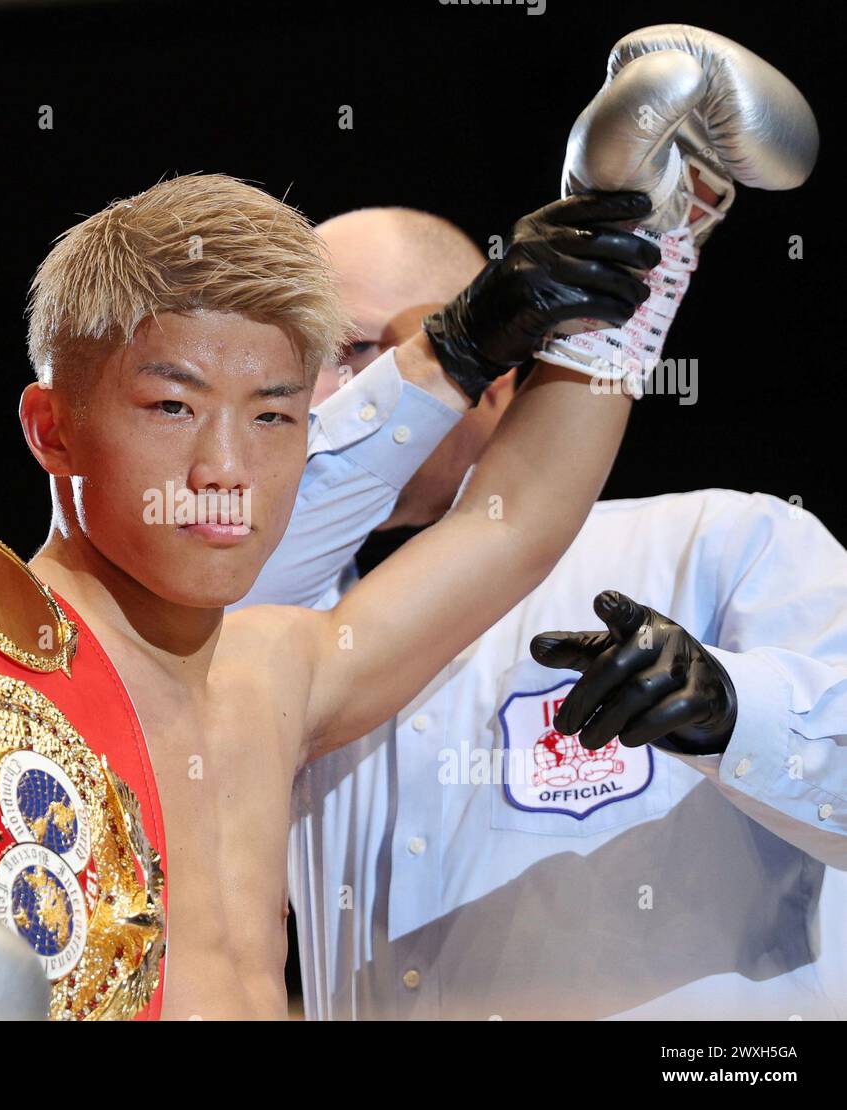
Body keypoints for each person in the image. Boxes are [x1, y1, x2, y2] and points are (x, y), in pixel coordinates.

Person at [0, 153, 660, 1018]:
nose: (225, 468)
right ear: (51, 429)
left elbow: (515, 520)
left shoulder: (277, 670)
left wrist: (642, 248)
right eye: (171, 408)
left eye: (272, 416)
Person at [235, 25, 841, 1021]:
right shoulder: (274, 617)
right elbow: (229, 557)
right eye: (285, 373)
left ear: (507, 364)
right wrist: (443, 351)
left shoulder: (720, 542)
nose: (322, 399)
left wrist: (739, 713)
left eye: (350, 352)